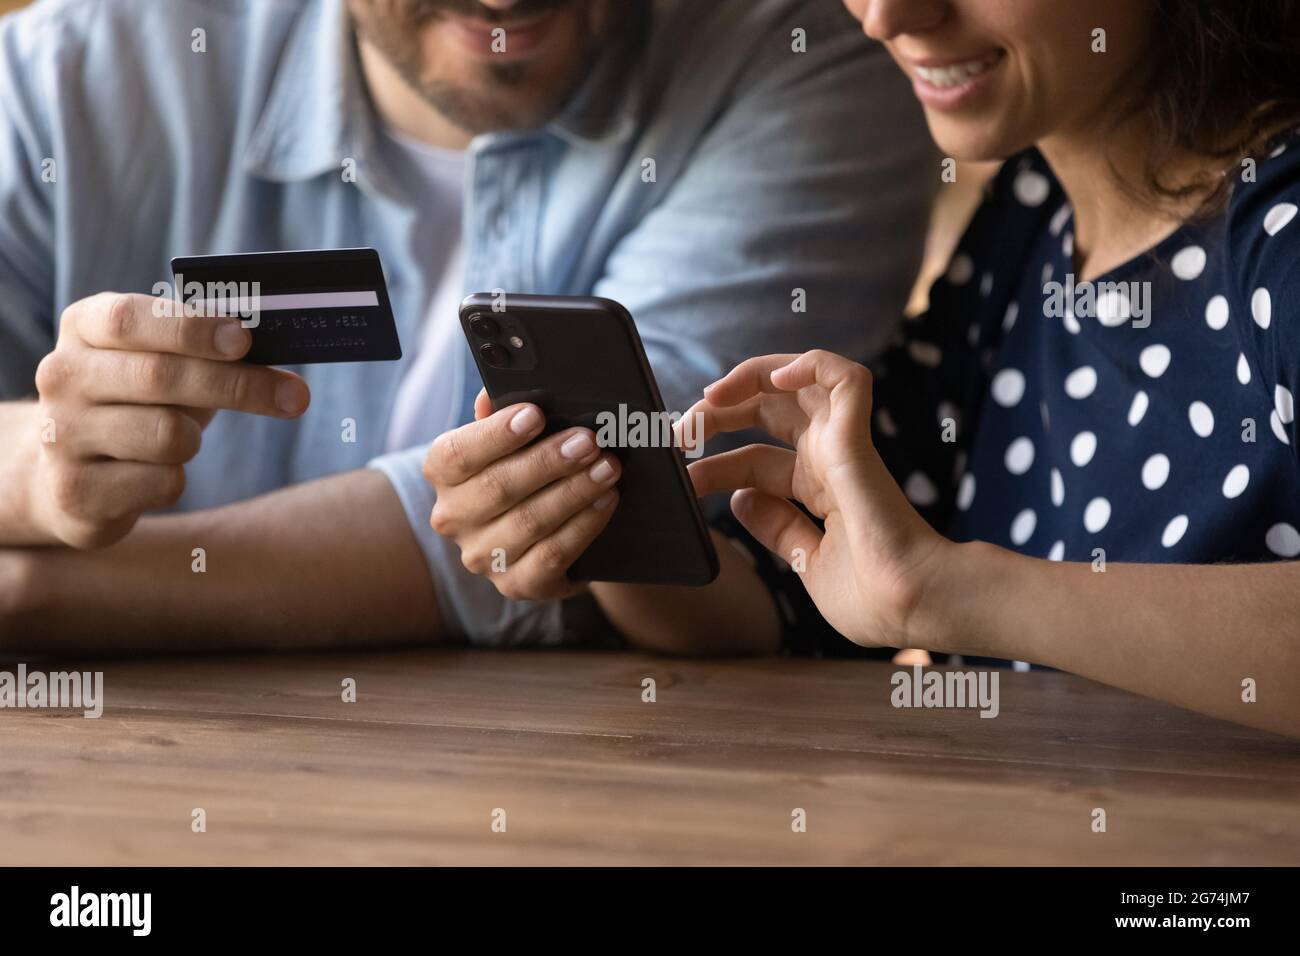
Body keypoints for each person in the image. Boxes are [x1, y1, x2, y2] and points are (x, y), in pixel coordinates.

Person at [0, 0, 933, 653]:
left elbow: (639, 488)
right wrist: (35, 473)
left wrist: (39, 594)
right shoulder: (57, 84)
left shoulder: (813, 61)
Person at [679, 0, 1300, 737]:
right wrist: (610, 532)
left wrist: (956, 594)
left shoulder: (1281, 241)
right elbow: (799, 596)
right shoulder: (1030, 211)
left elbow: (911, 586)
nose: (885, 18)